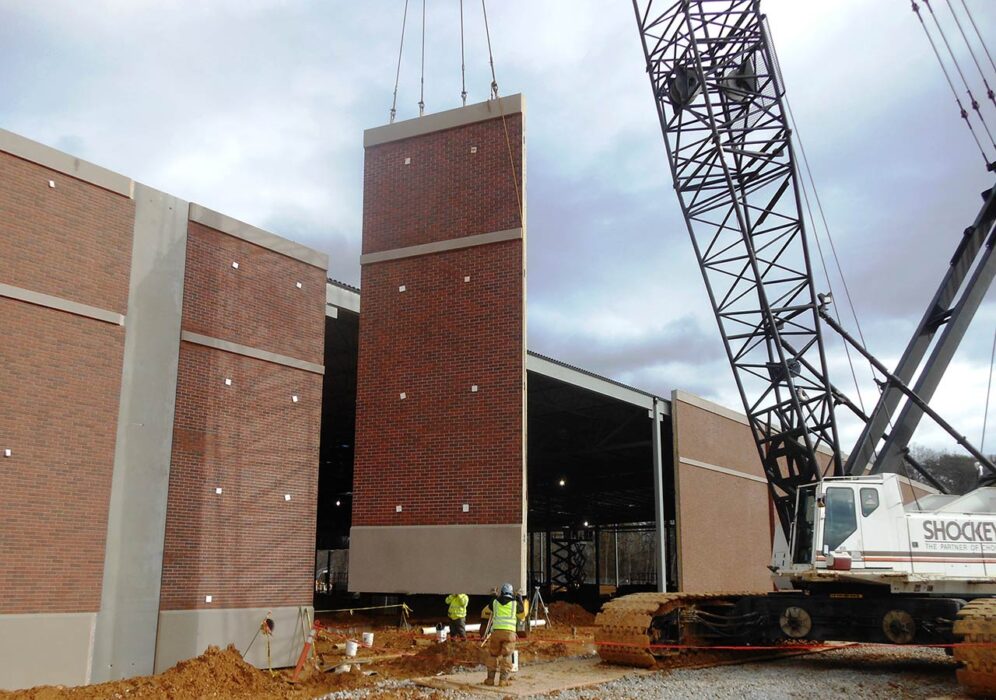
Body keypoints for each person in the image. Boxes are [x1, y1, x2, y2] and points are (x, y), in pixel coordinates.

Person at [480, 582, 527, 686]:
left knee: (493, 654)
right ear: (511, 593)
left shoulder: (495, 602)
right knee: (507, 655)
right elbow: (521, 610)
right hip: (509, 633)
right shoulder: (514, 603)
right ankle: (503, 680)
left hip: (496, 632)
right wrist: (519, 596)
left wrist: (494, 594)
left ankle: (490, 680)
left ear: (502, 592)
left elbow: (491, 604)